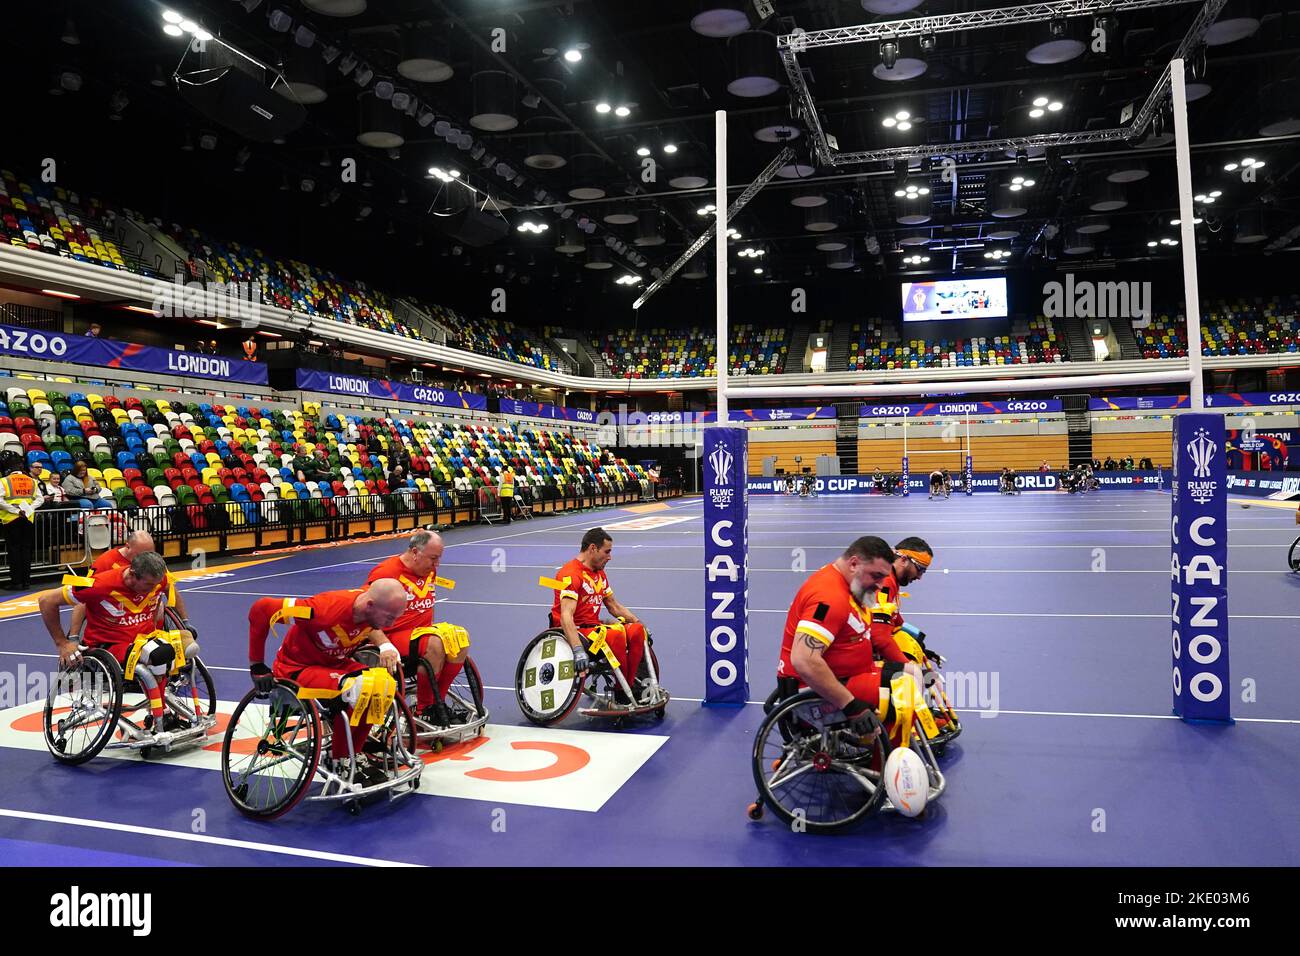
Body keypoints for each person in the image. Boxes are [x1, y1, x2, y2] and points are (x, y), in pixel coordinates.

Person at [246, 580, 408, 782]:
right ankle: (339, 760)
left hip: (334, 664)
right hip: (297, 668)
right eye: (389, 617)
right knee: (356, 687)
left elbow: (372, 624)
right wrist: (257, 665)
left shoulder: (369, 608)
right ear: (370, 605)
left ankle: (354, 753)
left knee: (381, 684)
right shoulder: (320, 610)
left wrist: (385, 644)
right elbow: (261, 610)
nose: (392, 624)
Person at [776, 536, 924, 740]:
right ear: (854, 564)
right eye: (876, 576)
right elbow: (804, 660)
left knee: (913, 672)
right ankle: (886, 764)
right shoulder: (829, 598)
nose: (881, 585)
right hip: (815, 688)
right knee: (904, 693)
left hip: (850, 673)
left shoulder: (849, 583)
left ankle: (885, 743)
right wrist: (851, 705)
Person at [37, 552, 194, 731]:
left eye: (156, 584)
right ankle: (161, 717)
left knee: (185, 647)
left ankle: (160, 709)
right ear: (133, 574)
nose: (153, 588)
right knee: (158, 654)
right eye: (149, 584)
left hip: (144, 638)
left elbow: (166, 589)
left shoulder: (158, 580)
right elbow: (46, 600)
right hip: (108, 645)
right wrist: (63, 643)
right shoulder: (99, 584)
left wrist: (184, 622)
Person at [365, 531, 470, 728]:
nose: (437, 564)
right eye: (433, 558)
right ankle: (424, 709)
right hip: (392, 637)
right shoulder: (385, 573)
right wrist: (384, 645)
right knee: (436, 644)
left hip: (420, 635)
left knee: (460, 637)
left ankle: (437, 702)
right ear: (415, 552)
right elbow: (365, 616)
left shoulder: (427, 570)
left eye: (439, 558)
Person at [548, 528, 649, 704]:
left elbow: (614, 606)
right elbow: (566, 616)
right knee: (615, 635)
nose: (610, 557)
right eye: (607, 551)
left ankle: (628, 684)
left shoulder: (599, 574)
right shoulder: (569, 574)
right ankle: (623, 689)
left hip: (594, 629)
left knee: (637, 631)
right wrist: (577, 650)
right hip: (576, 632)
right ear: (593, 548)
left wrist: (638, 622)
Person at [1, 462, 43, 590]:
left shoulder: (4, 481)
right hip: (28, 519)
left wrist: (15, 511)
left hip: (11, 519)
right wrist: (29, 508)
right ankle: (26, 582)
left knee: (14, 551)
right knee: (26, 550)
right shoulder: (32, 481)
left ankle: (16, 582)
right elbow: (40, 499)